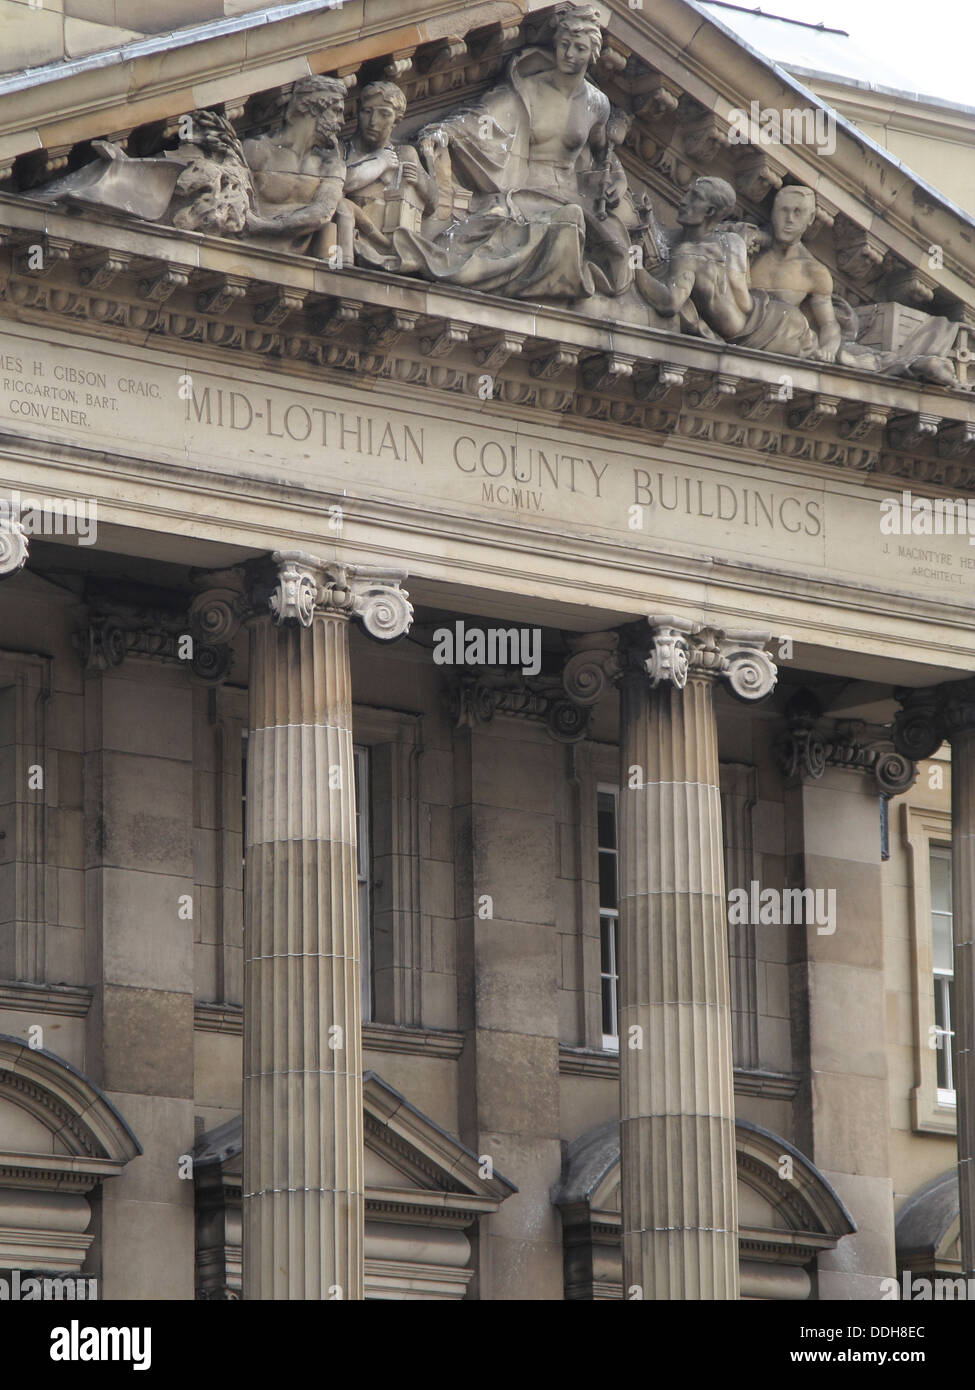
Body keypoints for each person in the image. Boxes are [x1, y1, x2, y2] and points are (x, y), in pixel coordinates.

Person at [390, 3, 634, 300]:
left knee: (585, 230)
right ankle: (434, 262)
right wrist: (445, 133)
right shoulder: (529, 89)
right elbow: (483, 119)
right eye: (565, 45)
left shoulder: (597, 104)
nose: (570, 55)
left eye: (580, 48)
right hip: (524, 194)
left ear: (593, 53)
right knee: (487, 229)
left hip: (571, 199)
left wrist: (618, 183)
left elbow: (602, 152)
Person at [336, 82, 438, 269]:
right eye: (367, 111)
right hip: (350, 242)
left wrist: (419, 181)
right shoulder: (341, 150)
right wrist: (379, 162)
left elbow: (433, 204)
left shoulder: (404, 154)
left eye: (384, 114)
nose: (373, 121)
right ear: (358, 111)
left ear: (397, 121)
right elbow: (340, 184)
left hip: (397, 249)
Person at [243, 75, 348, 255]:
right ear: (312, 107)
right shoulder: (256, 150)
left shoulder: (332, 165)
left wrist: (262, 225)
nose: (342, 122)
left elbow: (321, 213)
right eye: (336, 111)